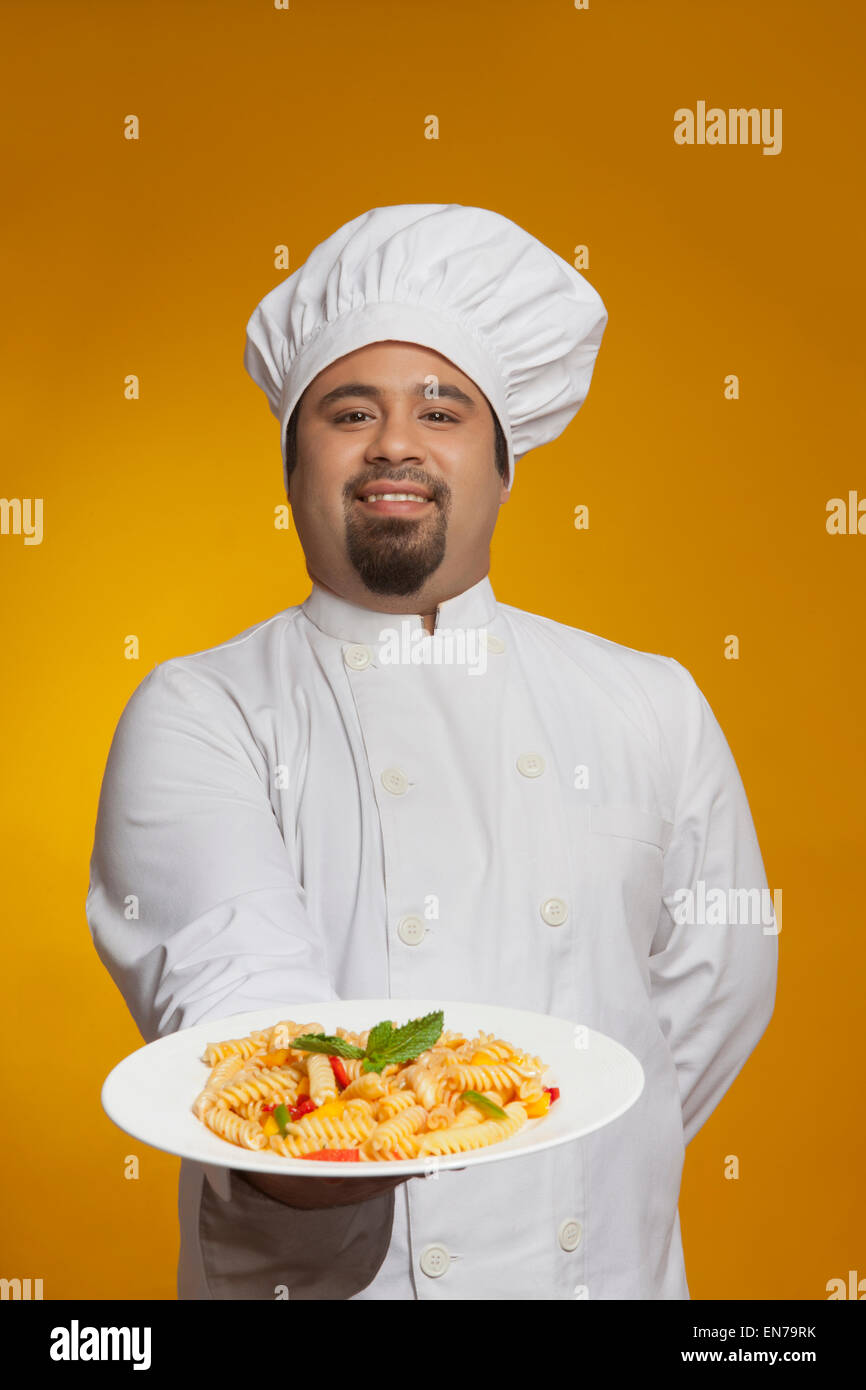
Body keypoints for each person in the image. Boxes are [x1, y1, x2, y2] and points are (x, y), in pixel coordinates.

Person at [86, 203, 778, 1300]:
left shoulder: (651, 704)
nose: (395, 443)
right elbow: (256, 1038)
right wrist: (421, 1129)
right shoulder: (202, 707)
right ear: (290, 463)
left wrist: (584, 1148)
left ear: (503, 465)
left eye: (441, 409)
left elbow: (708, 1001)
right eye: (349, 411)